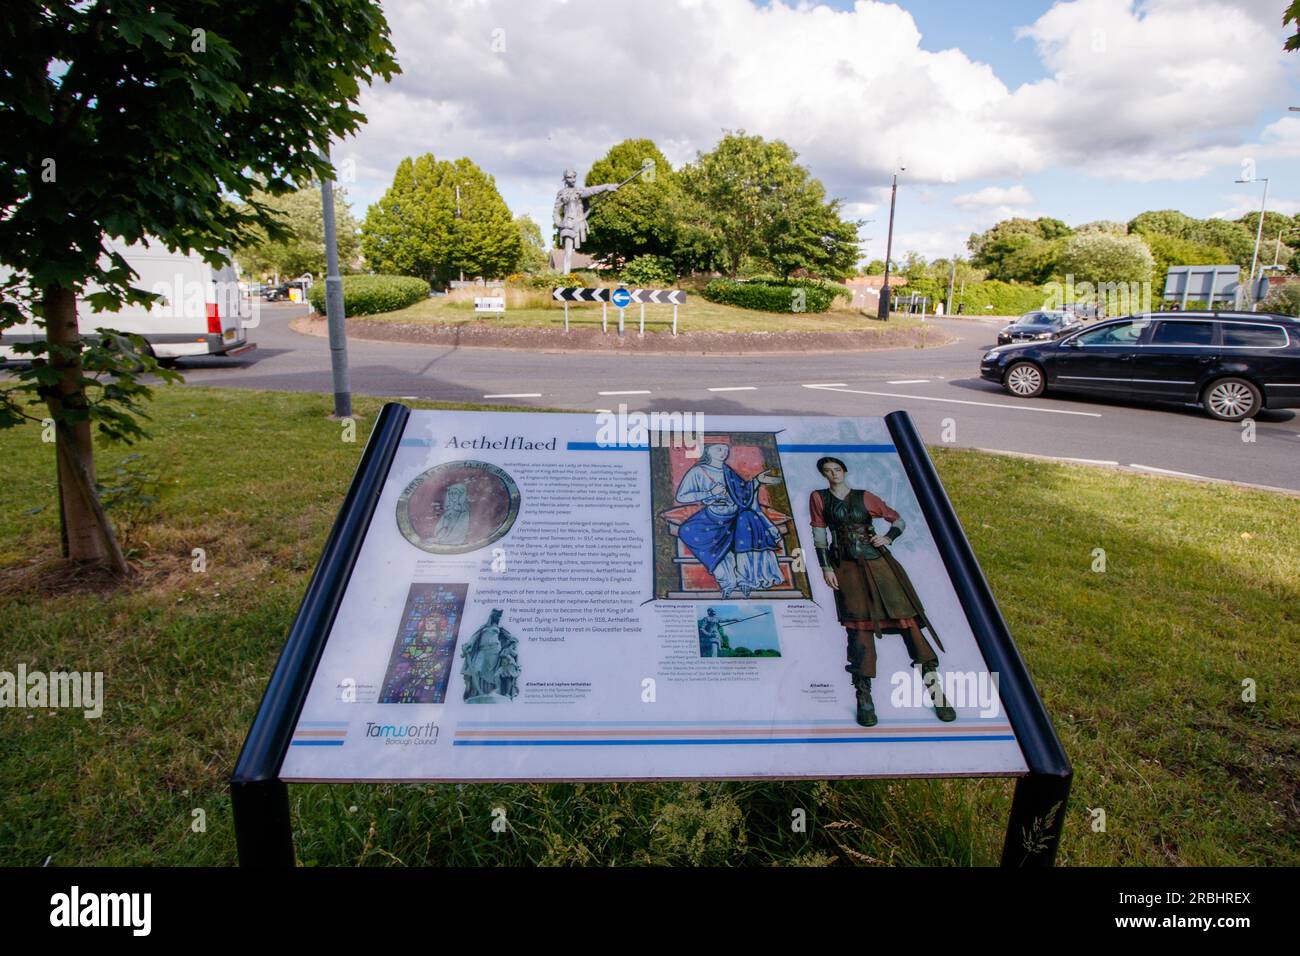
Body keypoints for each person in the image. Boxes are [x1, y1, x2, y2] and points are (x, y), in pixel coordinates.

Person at [808, 456, 955, 727]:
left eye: (837, 469)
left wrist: (888, 537)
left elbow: (898, 521)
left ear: (845, 470)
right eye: (828, 471)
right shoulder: (818, 498)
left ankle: (937, 693)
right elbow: (819, 535)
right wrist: (826, 568)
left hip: (879, 565)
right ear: (824, 475)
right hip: (846, 568)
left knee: (908, 623)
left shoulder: (865, 497)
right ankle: (864, 699)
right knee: (859, 629)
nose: (833, 474)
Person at [675, 443, 784, 598]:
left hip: (734, 517)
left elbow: (743, 492)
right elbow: (681, 496)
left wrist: (757, 480)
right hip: (713, 517)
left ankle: (747, 579)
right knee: (687, 530)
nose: (723, 453)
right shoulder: (698, 471)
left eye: (726, 450)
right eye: (718, 449)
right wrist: (709, 493)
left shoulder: (728, 472)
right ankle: (727, 580)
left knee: (748, 520)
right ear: (708, 451)